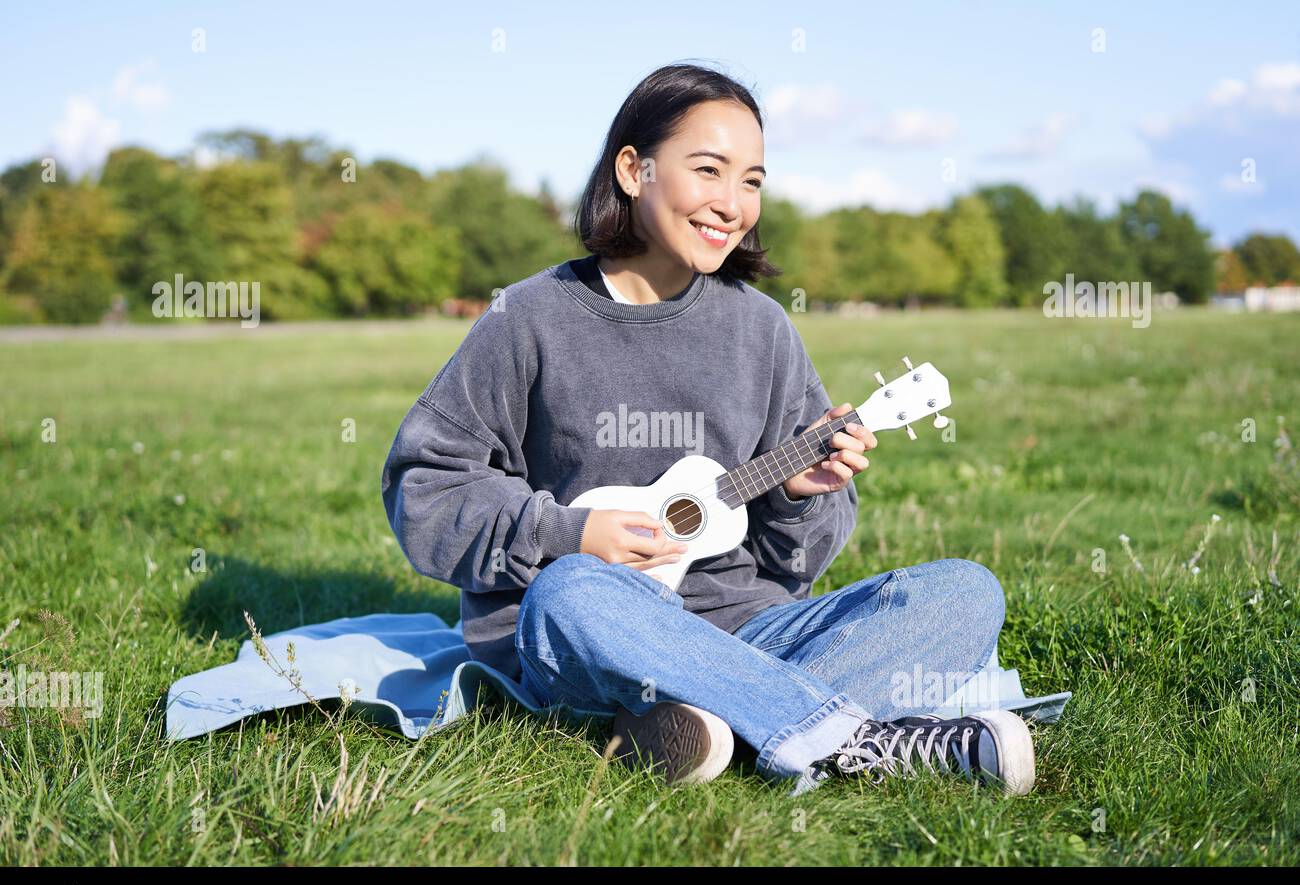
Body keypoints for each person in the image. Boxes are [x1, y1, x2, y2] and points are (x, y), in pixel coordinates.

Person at [381, 62, 1035, 798]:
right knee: (573, 592)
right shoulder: (529, 318)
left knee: (965, 593)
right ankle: (855, 739)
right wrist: (569, 534)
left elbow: (793, 568)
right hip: (591, 639)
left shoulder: (761, 328)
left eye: (752, 180)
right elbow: (424, 486)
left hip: (746, 631)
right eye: (709, 170)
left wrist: (797, 496)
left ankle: (695, 724)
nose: (733, 204)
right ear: (634, 169)